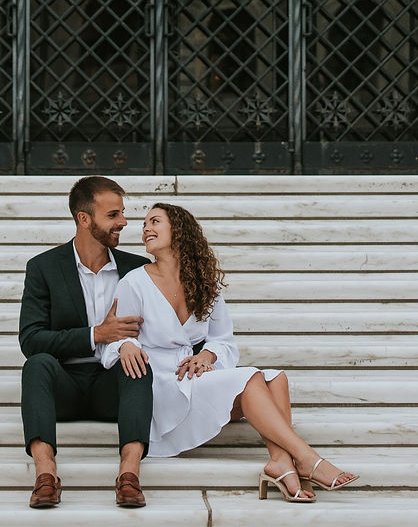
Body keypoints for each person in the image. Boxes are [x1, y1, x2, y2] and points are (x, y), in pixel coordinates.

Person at [100, 201, 358, 503]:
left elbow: (223, 340)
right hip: (161, 385)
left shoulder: (203, 283)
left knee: (276, 378)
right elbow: (113, 339)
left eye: (155, 221)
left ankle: (281, 462)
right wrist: (126, 344)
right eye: (144, 224)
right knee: (249, 378)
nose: (145, 228)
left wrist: (207, 356)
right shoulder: (135, 282)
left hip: (193, 373)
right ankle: (306, 457)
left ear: (178, 231)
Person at [18, 174, 154, 510]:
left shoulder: (139, 269)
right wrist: (97, 334)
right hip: (64, 387)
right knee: (36, 364)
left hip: (114, 388)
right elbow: (31, 338)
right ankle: (46, 474)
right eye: (113, 215)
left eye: (122, 213)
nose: (122, 222)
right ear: (84, 219)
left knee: (137, 362)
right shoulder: (44, 268)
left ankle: (129, 474)